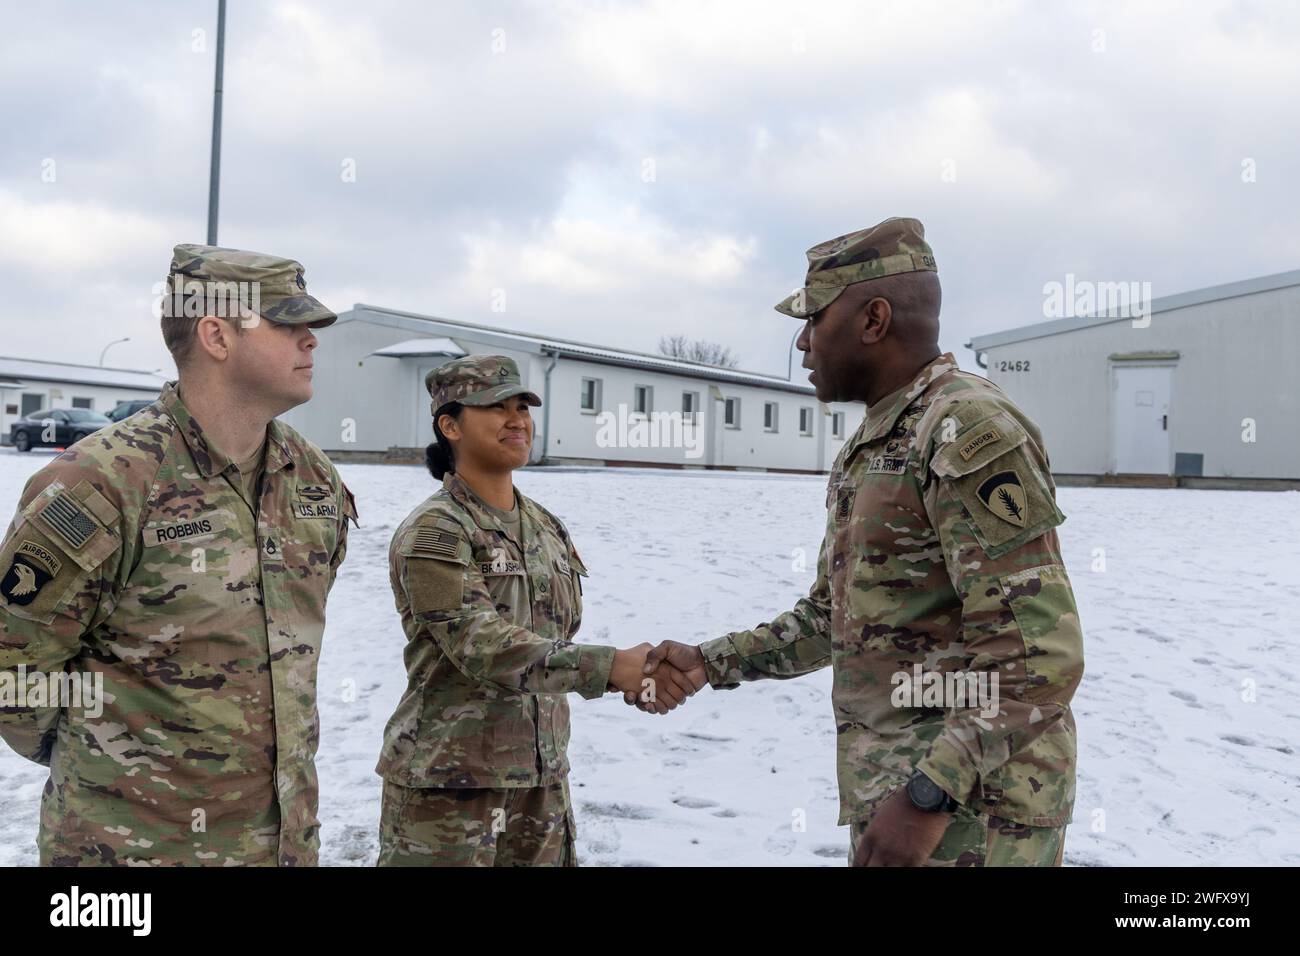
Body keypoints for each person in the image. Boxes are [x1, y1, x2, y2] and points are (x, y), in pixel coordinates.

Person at [630, 218, 1085, 867]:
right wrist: (710, 661)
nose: (803, 341)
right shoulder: (876, 443)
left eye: (815, 319)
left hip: (975, 816)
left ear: (873, 320)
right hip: (903, 800)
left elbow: (1041, 655)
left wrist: (930, 797)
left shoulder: (964, 431)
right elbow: (833, 619)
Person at [0, 243, 356, 866]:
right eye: (287, 323)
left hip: (281, 846)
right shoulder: (104, 482)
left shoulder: (311, 477)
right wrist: (111, 757)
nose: (311, 340)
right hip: (131, 854)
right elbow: (13, 670)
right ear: (216, 334)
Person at [375, 355, 696, 866]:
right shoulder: (437, 531)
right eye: (495, 407)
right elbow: (482, 646)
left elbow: (555, 636)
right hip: (451, 786)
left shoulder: (545, 528)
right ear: (450, 425)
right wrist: (611, 668)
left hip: (540, 779)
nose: (516, 419)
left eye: (522, 406)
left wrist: (630, 674)